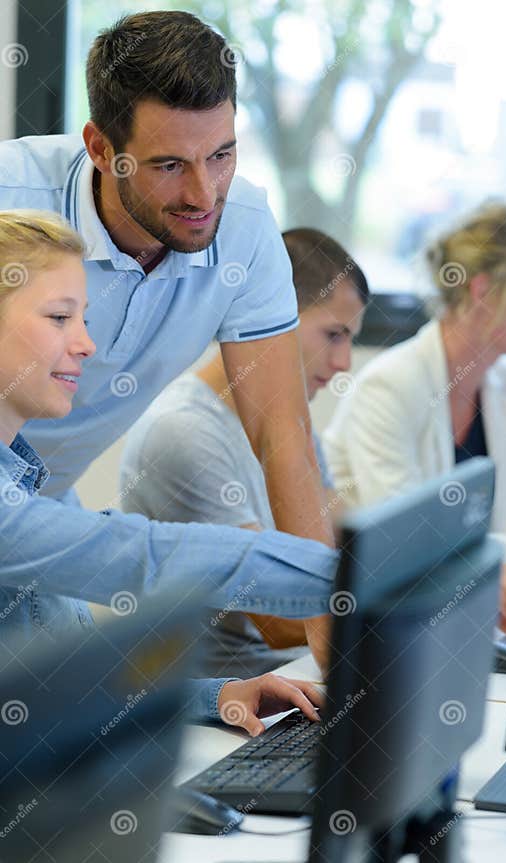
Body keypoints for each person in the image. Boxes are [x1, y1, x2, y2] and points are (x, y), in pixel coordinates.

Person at [0, 10, 334, 665]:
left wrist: (332, 629)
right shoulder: (13, 199)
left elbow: (282, 433)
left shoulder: (242, 228)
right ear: (100, 148)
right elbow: (143, 558)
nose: (203, 191)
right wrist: (333, 580)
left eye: (222, 154)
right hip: (16, 517)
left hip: (38, 503)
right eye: (169, 164)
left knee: (77, 691)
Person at [0, 209, 335, 734]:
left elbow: (74, 680)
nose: (87, 343)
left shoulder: (38, 479)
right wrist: (349, 580)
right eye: (60, 317)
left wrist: (217, 695)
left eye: (84, 318)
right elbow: (145, 556)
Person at [119, 229, 369, 677]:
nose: (345, 362)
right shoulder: (185, 431)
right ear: (276, 317)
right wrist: (404, 598)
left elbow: (347, 543)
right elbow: (281, 618)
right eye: (334, 334)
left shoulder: (293, 422)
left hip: (287, 676)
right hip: (219, 710)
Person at [324, 202, 506, 635]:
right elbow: (407, 548)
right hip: (378, 633)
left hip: (460, 628)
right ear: (483, 292)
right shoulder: (390, 387)